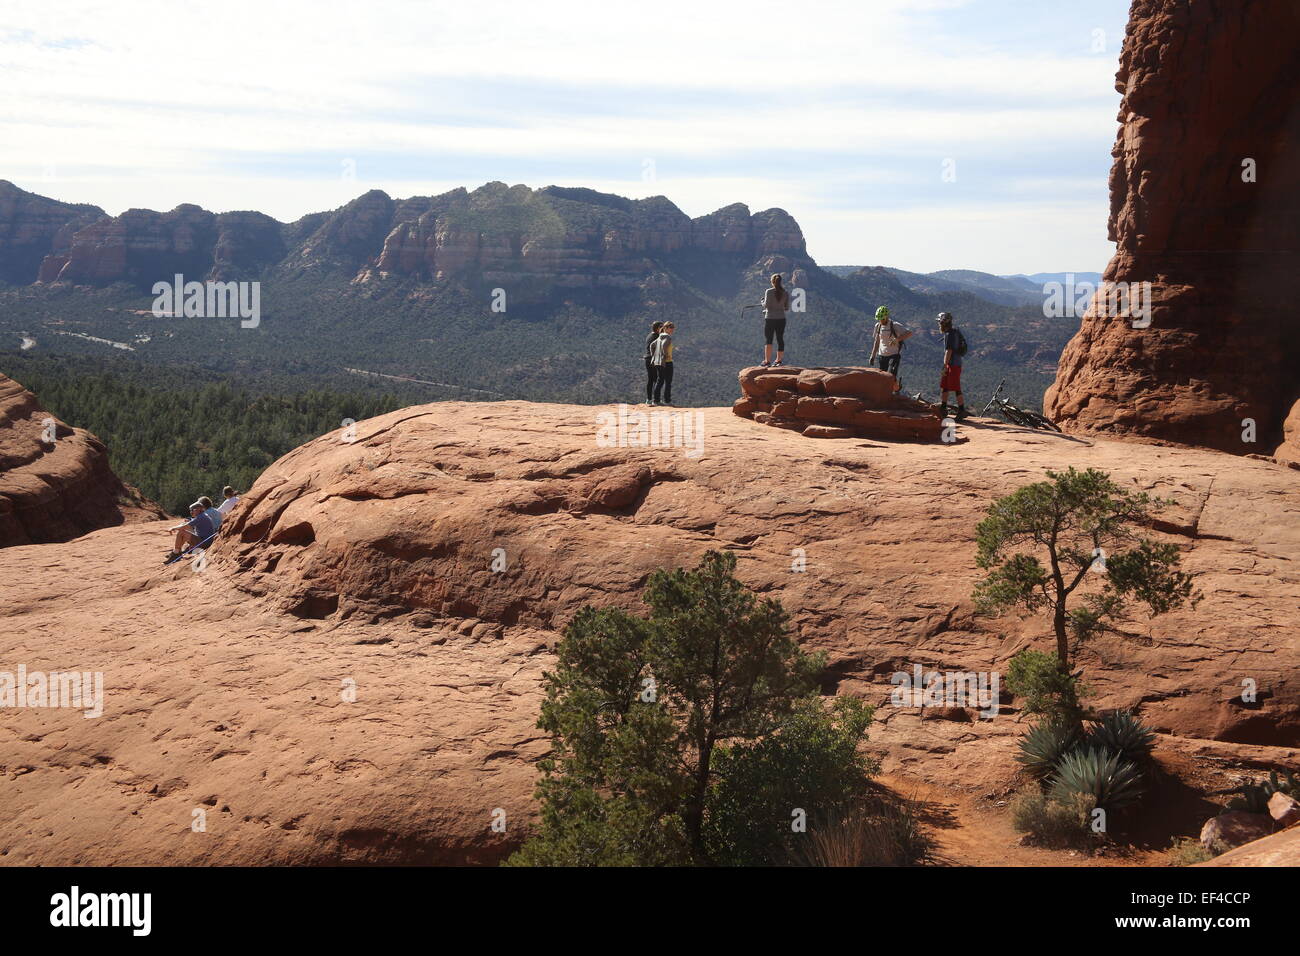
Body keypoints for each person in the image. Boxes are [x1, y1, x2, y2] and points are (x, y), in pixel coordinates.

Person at [868, 306, 913, 386]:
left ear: (887, 316)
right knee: (882, 377)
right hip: (882, 355)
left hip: (894, 354)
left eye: (882, 319)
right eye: (879, 319)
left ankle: (896, 388)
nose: (881, 321)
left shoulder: (894, 325)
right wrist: (872, 356)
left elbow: (909, 333)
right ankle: (888, 391)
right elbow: (877, 341)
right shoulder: (878, 326)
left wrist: (897, 339)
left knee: (892, 375)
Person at [937, 311, 968, 421]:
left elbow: (948, 351)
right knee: (945, 386)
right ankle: (943, 407)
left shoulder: (950, 334)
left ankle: (961, 410)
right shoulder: (952, 332)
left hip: (953, 365)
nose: (938, 324)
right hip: (954, 364)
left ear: (943, 323)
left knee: (956, 387)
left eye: (939, 322)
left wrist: (945, 365)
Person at [761, 273, 790, 367]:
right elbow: (786, 308)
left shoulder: (768, 291)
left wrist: (762, 301)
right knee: (780, 339)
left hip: (770, 318)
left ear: (772, 281)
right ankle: (778, 361)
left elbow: (766, 305)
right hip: (781, 319)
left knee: (769, 339)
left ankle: (767, 361)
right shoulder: (785, 293)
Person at [651, 321, 675, 406]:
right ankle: (667, 401)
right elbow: (664, 346)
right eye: (670, 327)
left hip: (658, 362)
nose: (672, 329)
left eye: (673, 327)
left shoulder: (659, 336)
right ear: (665, 328)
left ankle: (656, 400)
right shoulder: (667, 337)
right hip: (667, 362)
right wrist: (665, 355)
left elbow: (652, 345)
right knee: (668, 382)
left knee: (660, 381)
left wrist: (654, 356)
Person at [643, 321, 663, 404]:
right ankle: (656, 400)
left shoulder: (649, 335)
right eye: (661, 327)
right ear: (658, 328)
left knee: (651, 379)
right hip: (653, 359)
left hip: (647, 359)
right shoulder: (657, 336)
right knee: (657, 380)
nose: (663, 329)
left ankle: (649, 399)